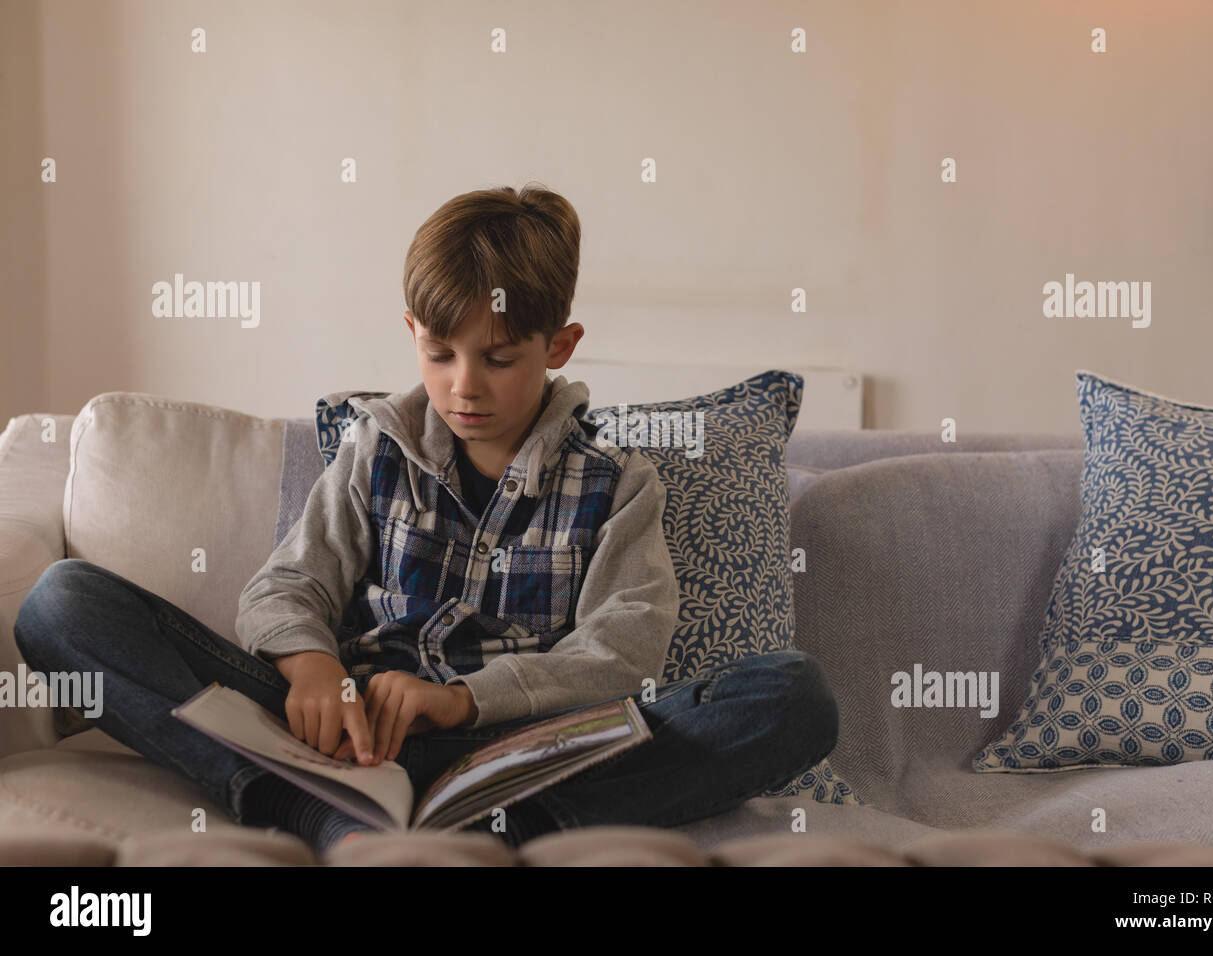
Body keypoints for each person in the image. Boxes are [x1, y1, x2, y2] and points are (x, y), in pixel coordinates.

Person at [13, 184, 839, 857]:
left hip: (518, 751)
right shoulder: (376, 449)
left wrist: (460, 703)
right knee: (61, 605)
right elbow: (288, 584)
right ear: (412, 334)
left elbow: (623, 651)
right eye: (440, 353)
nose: (464, 386)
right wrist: (309, 669)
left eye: (498, 357)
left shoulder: (620, 482)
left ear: (561, 346)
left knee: (793, 695)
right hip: (340, 735)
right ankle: (310, 806)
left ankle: (501, 829)